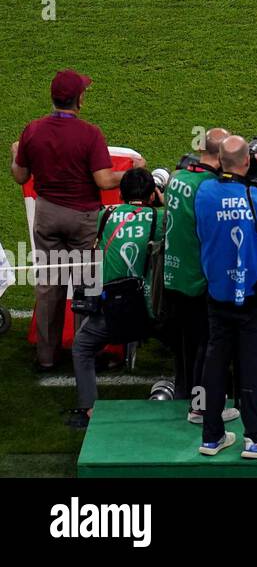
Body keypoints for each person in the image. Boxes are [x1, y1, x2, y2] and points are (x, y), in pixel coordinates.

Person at [11, 69, 145, 370]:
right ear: (78, 99)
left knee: (49, 286)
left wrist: (13, 155)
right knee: (85, 286)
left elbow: (20, 175)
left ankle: (46, 357)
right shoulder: (89, 134)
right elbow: (105, 180)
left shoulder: (32, 130)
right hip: (83, 218)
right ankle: (86, 354)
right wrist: (136, 171)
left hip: (47, 214)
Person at [193, 136, 257, 459]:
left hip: (217, 294)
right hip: (253, 297)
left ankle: (211, 437)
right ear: (248, 162)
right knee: (250, 367)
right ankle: (255, 439)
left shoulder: (203, 193)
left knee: (215, 364)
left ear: (219, 161)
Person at [68, 167, 166, 428]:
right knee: (189, 343)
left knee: (82, 347)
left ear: (120, 193)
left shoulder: (106, 215)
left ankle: (88, 409)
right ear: (153, 194)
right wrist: (163, 203)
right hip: (152, 311)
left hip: (113, 311)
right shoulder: (160, 219)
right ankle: (189, 398)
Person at [161, 127, 239, 425]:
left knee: (191, 346)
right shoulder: (209, 188)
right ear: (221, 155)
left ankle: (193, 400)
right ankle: (201, 408)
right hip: (197, 278)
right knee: (207, 347)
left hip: (174, 275)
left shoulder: (178, 178)